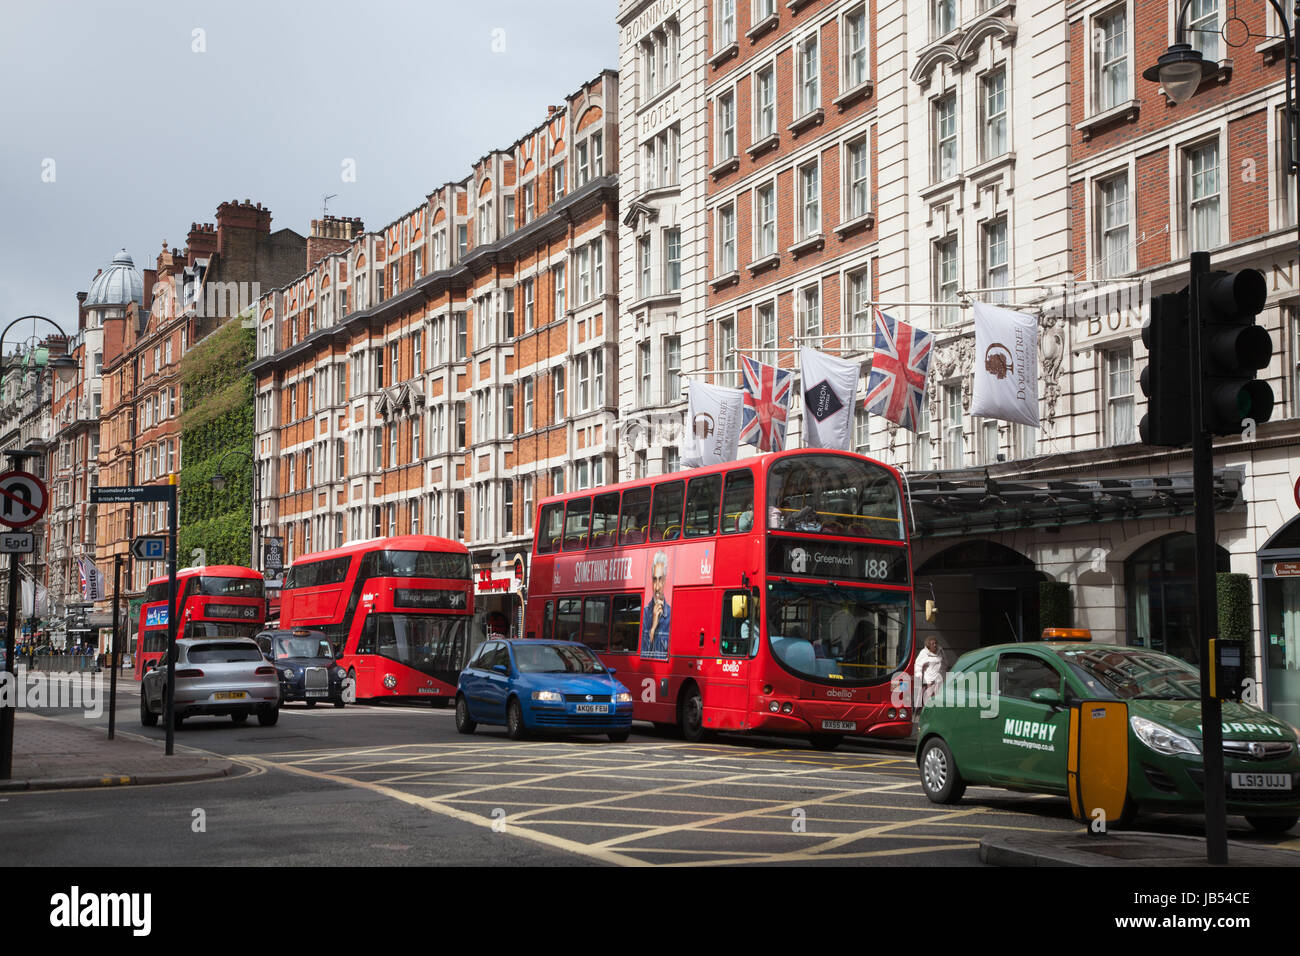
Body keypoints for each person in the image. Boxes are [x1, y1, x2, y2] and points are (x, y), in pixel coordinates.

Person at [640, 551, 671, 658]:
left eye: (660, 580)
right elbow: (643, 654)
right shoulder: (644, 614)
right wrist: (652, 627)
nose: (657, 587)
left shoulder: (672, 615)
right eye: (654, 580)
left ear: (665, 581)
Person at [914, 636, 947, 708]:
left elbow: (945, 662)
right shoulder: (924, 653)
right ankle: (928, 713)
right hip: (929, 680)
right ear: (928, 645)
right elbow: (918, 665)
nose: (935, 645)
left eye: (935, 643)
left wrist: (945, 673)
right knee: (929, 698)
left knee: (939, 698)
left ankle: (937, 713)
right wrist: (919, 674)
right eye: (932, 644)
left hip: (939, 679)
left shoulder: (940, 650)